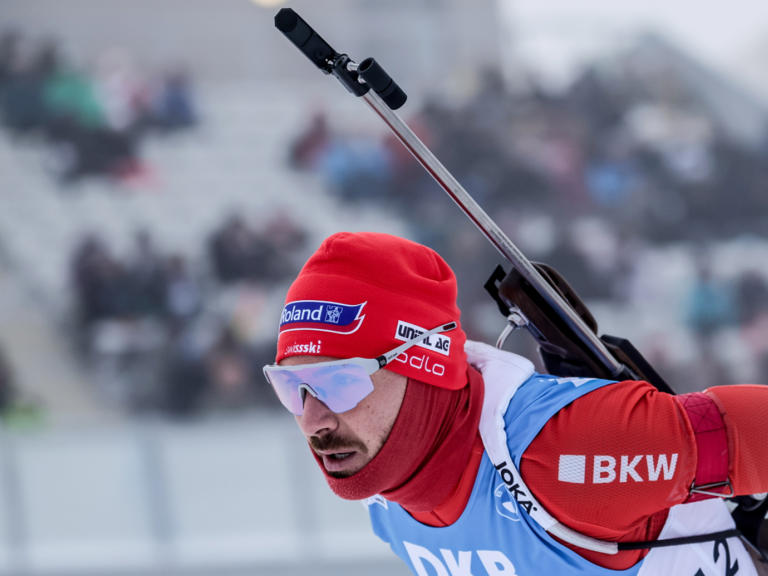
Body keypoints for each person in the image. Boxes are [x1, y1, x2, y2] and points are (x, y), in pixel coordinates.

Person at [264, 231, 768, 575]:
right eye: (292, 388)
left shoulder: (567, 448)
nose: (312, 420)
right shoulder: (386, 501)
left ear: (422, 365)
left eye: (339, 382)